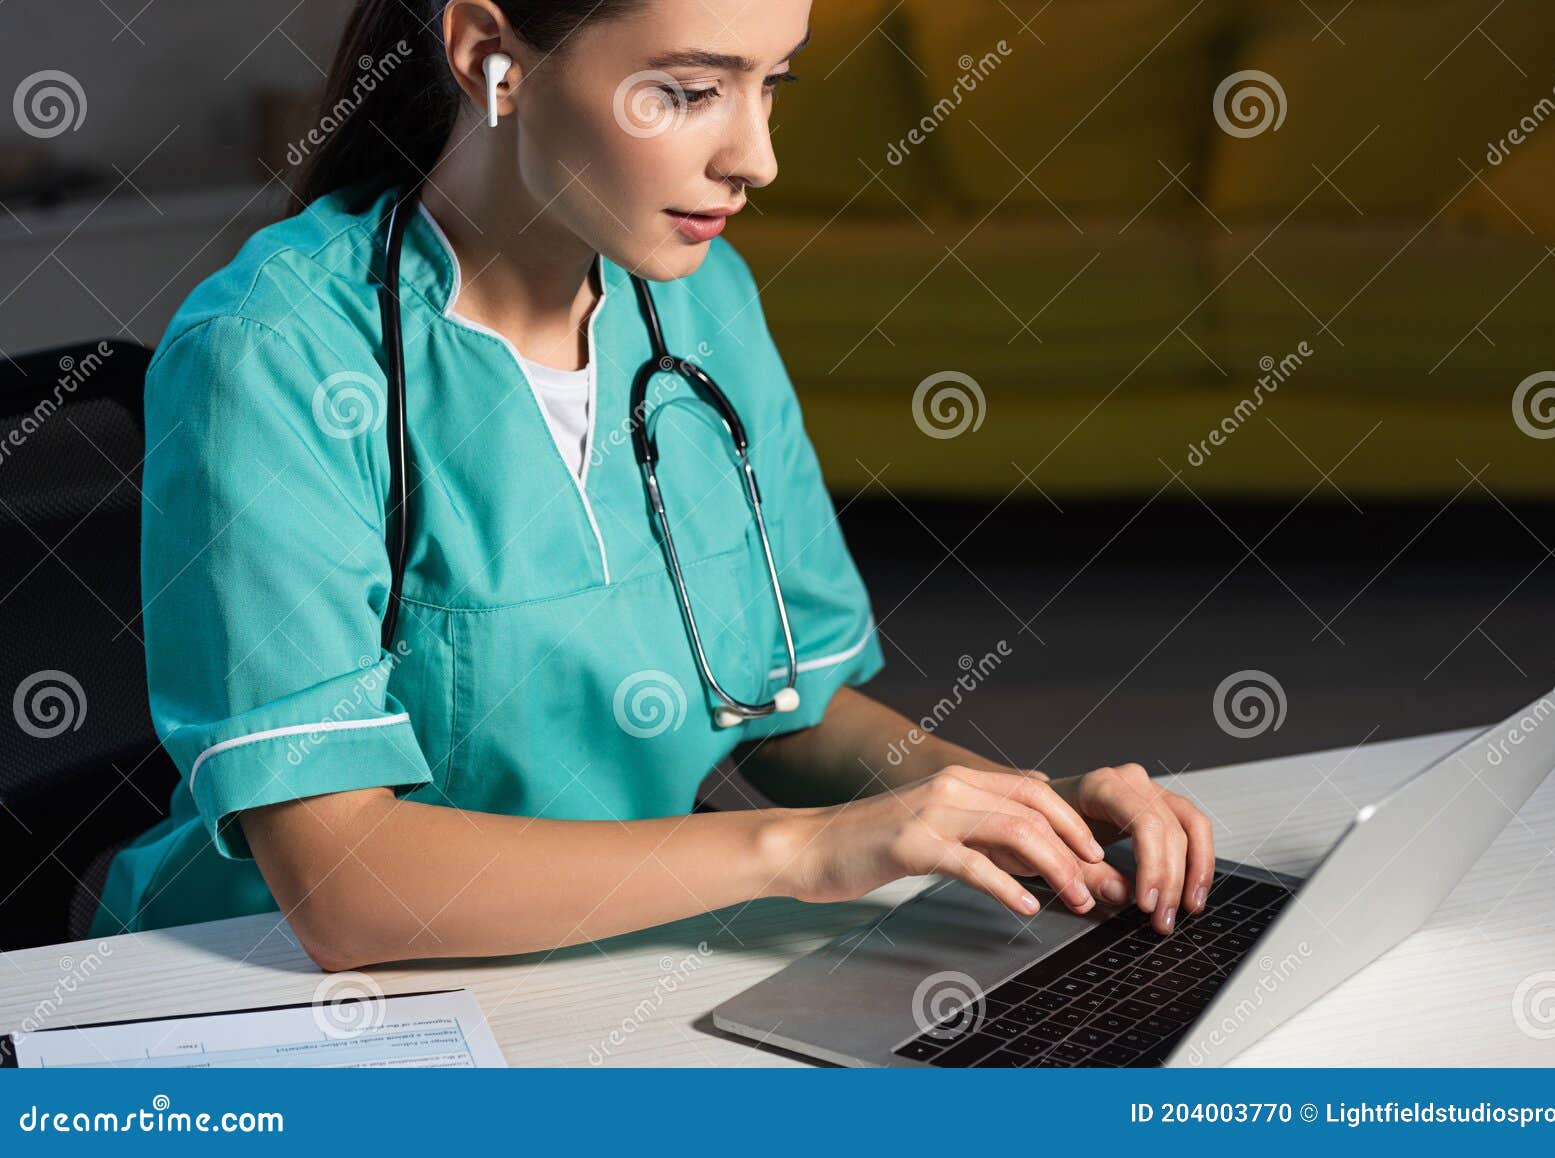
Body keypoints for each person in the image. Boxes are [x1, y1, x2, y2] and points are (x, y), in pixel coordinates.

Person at [90, 0, 1214, 969]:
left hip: (608, 969)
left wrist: (1031, 815)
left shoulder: (701, 300)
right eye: (687, 92)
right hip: (270, 999)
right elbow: (342, 892)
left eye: (772, 85)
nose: (756, 158)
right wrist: (801, 852)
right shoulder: (275, 350)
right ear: (492, 57)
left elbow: (785, 716)